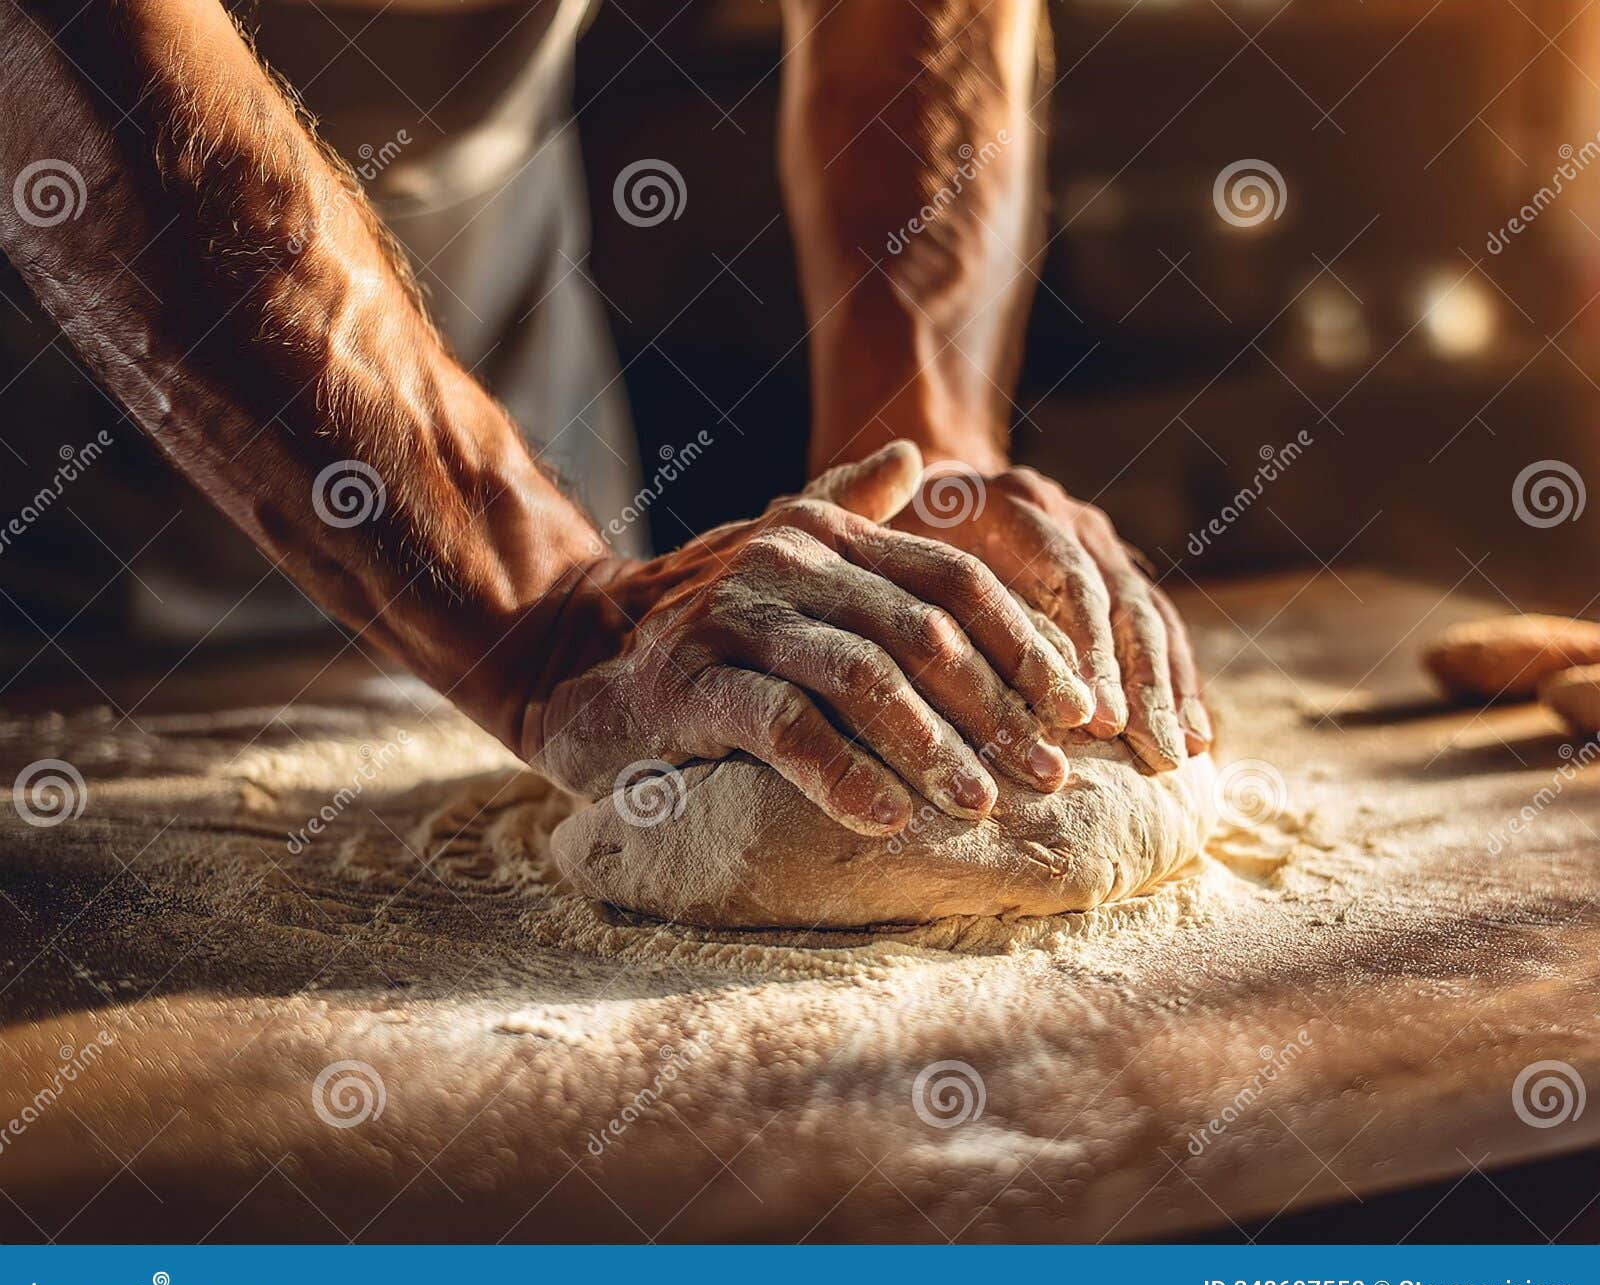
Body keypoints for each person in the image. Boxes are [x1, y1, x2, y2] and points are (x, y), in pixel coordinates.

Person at [0, 0, 1209, 839]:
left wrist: (918, 465)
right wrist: (541, 618)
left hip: (517, 426)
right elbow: (69, 56)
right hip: (60, 528)